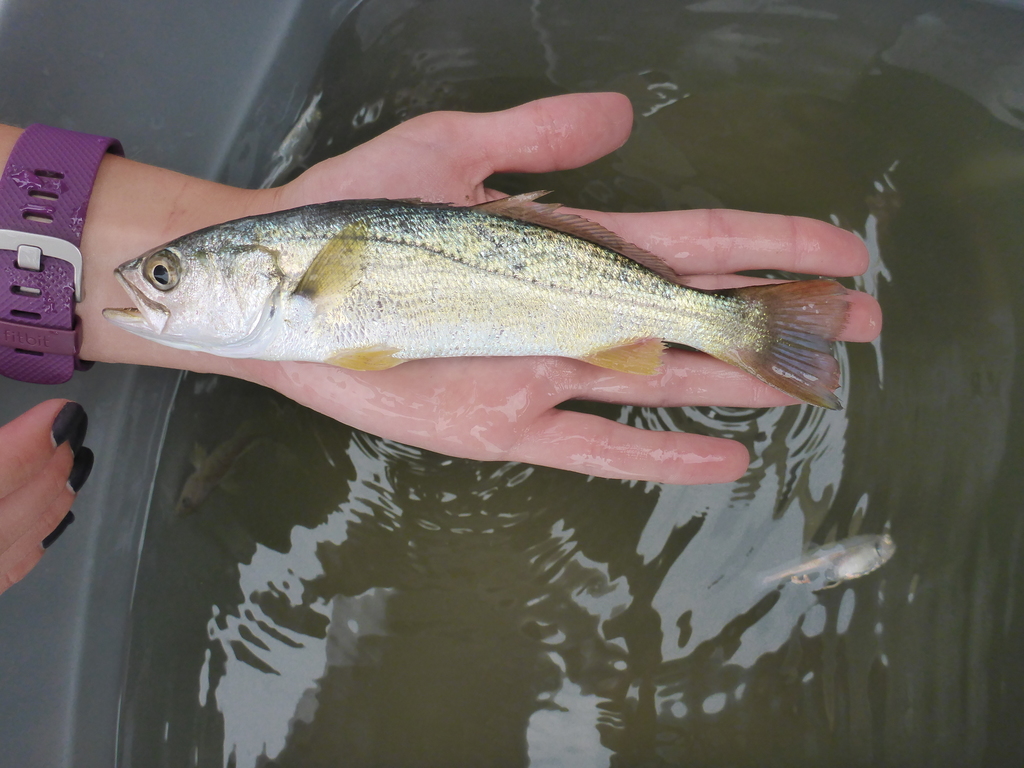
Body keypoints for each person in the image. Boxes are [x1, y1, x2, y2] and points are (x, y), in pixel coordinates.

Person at [0, 92, 881, 594]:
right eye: (162, 277)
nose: (147, 286)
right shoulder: (287, 279)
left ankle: (746, 327)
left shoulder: (300, 277)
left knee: (695, 323)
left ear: (259, 272)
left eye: (163, 278)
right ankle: (751, 329)